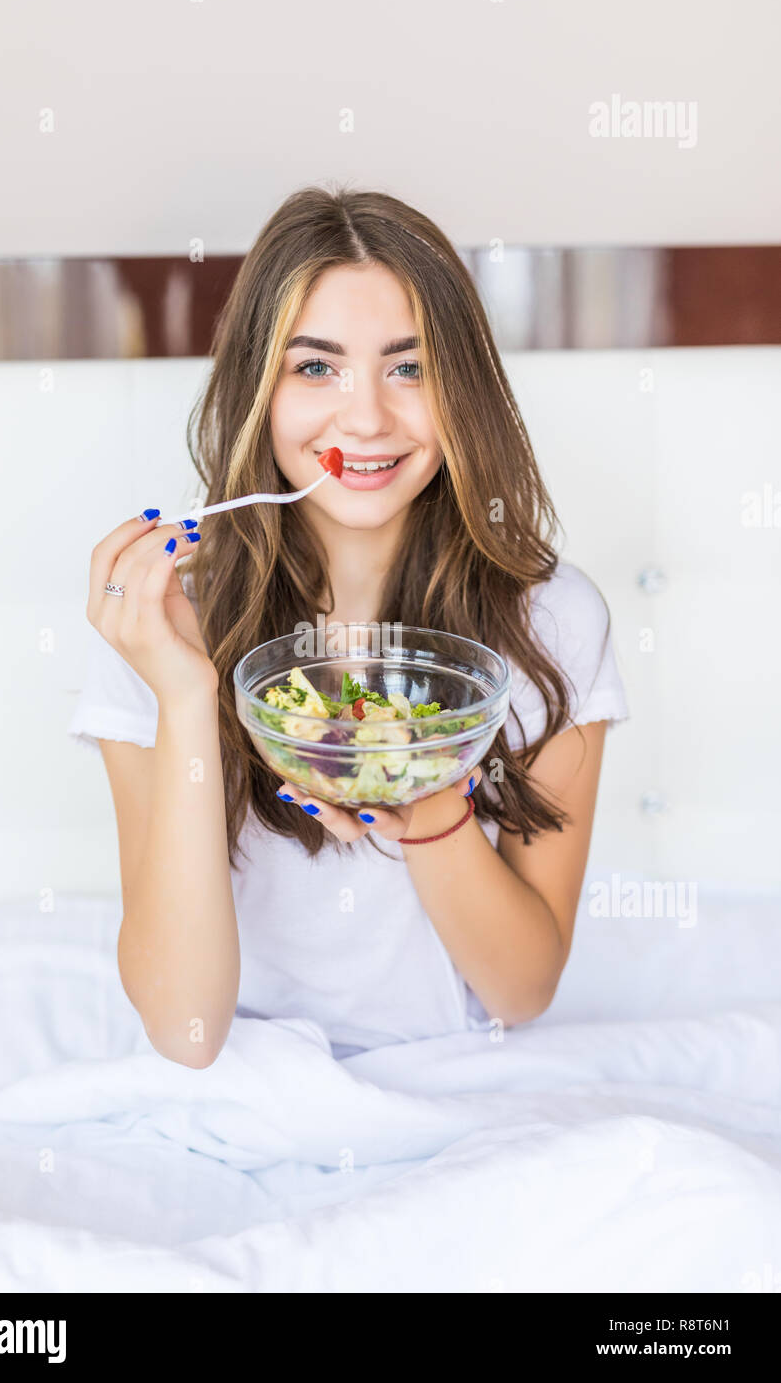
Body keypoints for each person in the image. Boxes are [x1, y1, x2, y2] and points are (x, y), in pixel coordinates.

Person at [68, 186, 629, 1067]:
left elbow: (521, 993)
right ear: (258, 387)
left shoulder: (552, 620)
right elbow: (187, 1030)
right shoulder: (161, 625)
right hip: (242, 1090)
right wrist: (187, 699)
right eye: (316, 367)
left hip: (462, 1085)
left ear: (462, 389)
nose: (365, 418)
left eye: (409, 368)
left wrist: (426, 796)